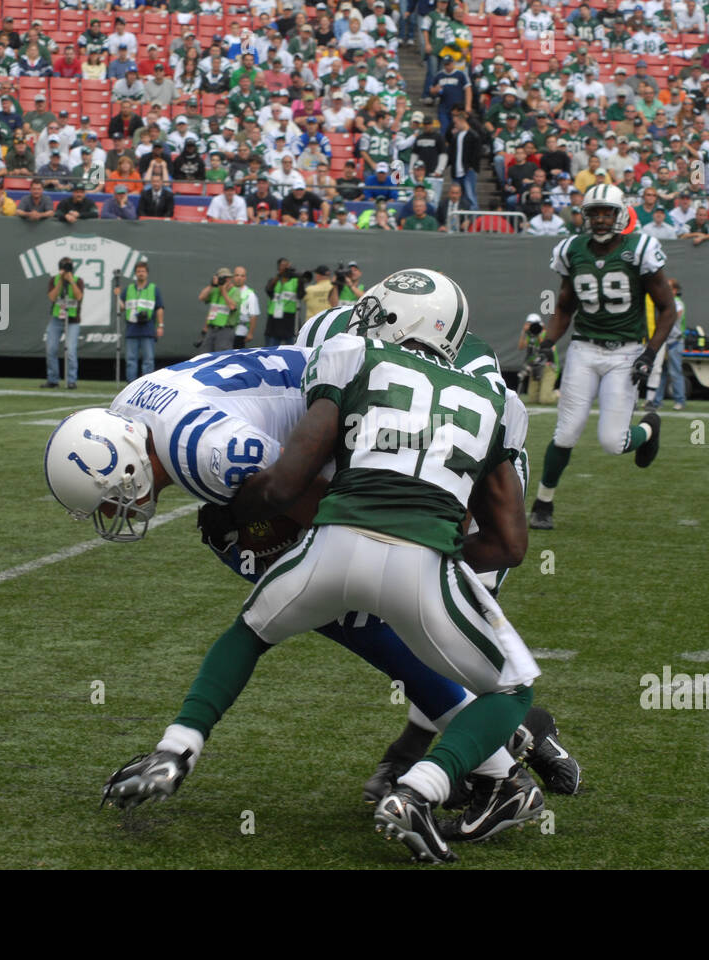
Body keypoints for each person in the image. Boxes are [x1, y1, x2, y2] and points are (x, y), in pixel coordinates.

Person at [87, 270, 546, 863]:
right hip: (424, 563)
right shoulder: (495, 400)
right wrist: (442, 552)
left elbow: (283, 485)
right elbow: (509, 543)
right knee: (512, 689)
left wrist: (239, 508)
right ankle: (419, 790)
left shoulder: (350, 353)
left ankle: (177, 747)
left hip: (330, 546)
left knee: (248, 633)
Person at [527, 184, 674, 530]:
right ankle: (543, 503)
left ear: (620, 213)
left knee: (612, 441)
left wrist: (650, 354)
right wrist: (548, 343)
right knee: (566, 432)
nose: (601, 219)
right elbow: (564, 306)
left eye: (607, 212)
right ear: (586, 215)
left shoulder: (640, 249)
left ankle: (648, 430)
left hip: (625, 353)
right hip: (583, 348)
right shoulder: (571, 250)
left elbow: (667, 309)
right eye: (595, 212)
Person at [116, 259, 164, 381]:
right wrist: (117, 295)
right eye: (138, 271)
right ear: (135, 274)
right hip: (132, 329)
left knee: (148, 360)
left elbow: (159, 308)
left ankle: (146, 384)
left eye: (143, 271)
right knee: (131, 360)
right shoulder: (129, 289)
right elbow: (121, 308)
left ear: (147, 273)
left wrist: (160, 326)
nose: (140, 273)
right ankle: (131, 385)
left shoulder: (153, 289)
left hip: (148, 329)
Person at [43, 256, 85, 389]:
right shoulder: (54, 280)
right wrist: (61, 281)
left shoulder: (78, 280)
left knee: (71, 350)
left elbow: (79, 297)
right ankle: (53, 380)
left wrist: (71, 281)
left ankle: (71, 380)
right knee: (51, 349)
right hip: (56, 319)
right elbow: (52, 297)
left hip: (73, 320)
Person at [647, 278, 687, 411]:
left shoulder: (677, 303)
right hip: (663, 341)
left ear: (675, 291)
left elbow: (672, 318)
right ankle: (656, 401)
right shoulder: (663, 302)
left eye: (669, 288)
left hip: (674, 341)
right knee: (660, 372)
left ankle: (679, 400)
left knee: (675, 372)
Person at [263, 258, 305, 348]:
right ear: (278, 268)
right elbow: (268, 290)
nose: (286, 268)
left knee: (292, 348)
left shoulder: (295, 281)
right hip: (274, 321)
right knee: (271, 349)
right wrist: (279, 276)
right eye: (283, 266)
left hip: (290, 321)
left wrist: (300, 281)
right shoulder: (274, 281)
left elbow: (301, 295)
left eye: (287, 265)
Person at [517, 312, 557, 404]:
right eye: (530, 324)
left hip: (548, 367)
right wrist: (523, 332)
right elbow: (521, 347)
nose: (533, 327)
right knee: (532, 399)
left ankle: (557, 393)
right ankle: (543, 393)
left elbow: (544, 345)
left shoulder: (545, 334)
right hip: (535, 367)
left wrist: (540, 331)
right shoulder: (529, 336)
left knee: (545, 400)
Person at [197, 267, 238, 353]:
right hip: (211, 328)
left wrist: (223, 290)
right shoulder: (215, 290)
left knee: (221, 356)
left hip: (225, 330)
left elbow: (232, 307)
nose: (225, 281)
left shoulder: (235, 291)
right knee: (205, 354)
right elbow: (201, 297)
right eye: (222, 278)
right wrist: (211, 285)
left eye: (226, 278)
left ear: (230, 279)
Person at [229, 265, 259, 348]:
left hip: (240, 331)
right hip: (225, 330)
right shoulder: (227, 290)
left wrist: (250, 333)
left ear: (245, 278)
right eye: (237, 275)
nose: (239, 278)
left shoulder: (250, 294)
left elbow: (253, 315)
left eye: (242, 276)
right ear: (232, 277)